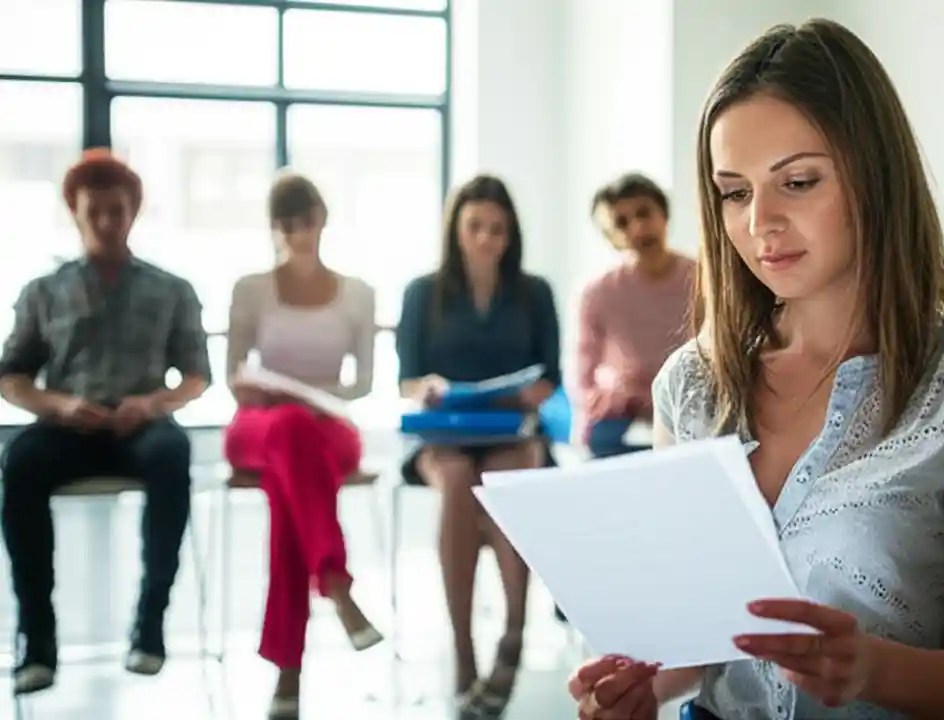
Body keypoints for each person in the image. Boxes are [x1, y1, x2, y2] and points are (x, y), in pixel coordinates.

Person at [568, 19, 944, 719]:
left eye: (797, 182)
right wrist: (645, 683)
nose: (760, 222)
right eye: (734, 192)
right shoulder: (691, 385)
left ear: (875, 179)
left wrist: (875, 671)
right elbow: (701, 639)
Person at [0, 149, 211, 694]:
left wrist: (154, 404)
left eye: (117, 211)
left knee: (172, 455)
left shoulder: (172, 289)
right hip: (69, 425)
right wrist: (59, 406)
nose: (106, 222)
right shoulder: (43, 292)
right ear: (75, 212)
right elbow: (12, 376)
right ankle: (37, 643)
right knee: (18, 462)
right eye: (95, 212)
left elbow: (196, 375)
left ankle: (149, 626)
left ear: (133, 212)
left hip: (141, 424)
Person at [396, 174, 560, 719]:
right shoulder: (423, 292)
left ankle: (513, 634)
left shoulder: (534, 292)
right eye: (476, 227)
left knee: (512, 481)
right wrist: (430, 390)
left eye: (497, 229)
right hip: (445, 436)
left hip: (511, 429)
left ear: (511, 234)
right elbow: (408, 380)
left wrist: (522, 394)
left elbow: (550, 378)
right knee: (460, 482)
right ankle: (464, 654)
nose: (487, 239)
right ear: (456, 230)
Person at [223, 172, 382, 718]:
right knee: (289, 434)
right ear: (274, 228)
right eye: (287, 225)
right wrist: (274, 395)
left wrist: (316, 395)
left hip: (327, 428)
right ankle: (335, 583)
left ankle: (287, 674)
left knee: (290, 485)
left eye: (306, 221)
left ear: (322, 219)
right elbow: (236, 375)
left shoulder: (358, 293)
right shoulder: (250, 288)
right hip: (261, 426)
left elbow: (363, 382)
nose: (298, 234)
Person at [575, 173, 696, 457]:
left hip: (689, 401)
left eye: (644, 213)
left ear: (663, 215)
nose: (638, 228)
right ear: (611, 237)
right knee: (599, 438)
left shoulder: (705, 280)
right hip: (624, 409)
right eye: (622, 223)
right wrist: (602, 400)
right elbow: (582, 377)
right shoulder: (597, 292)